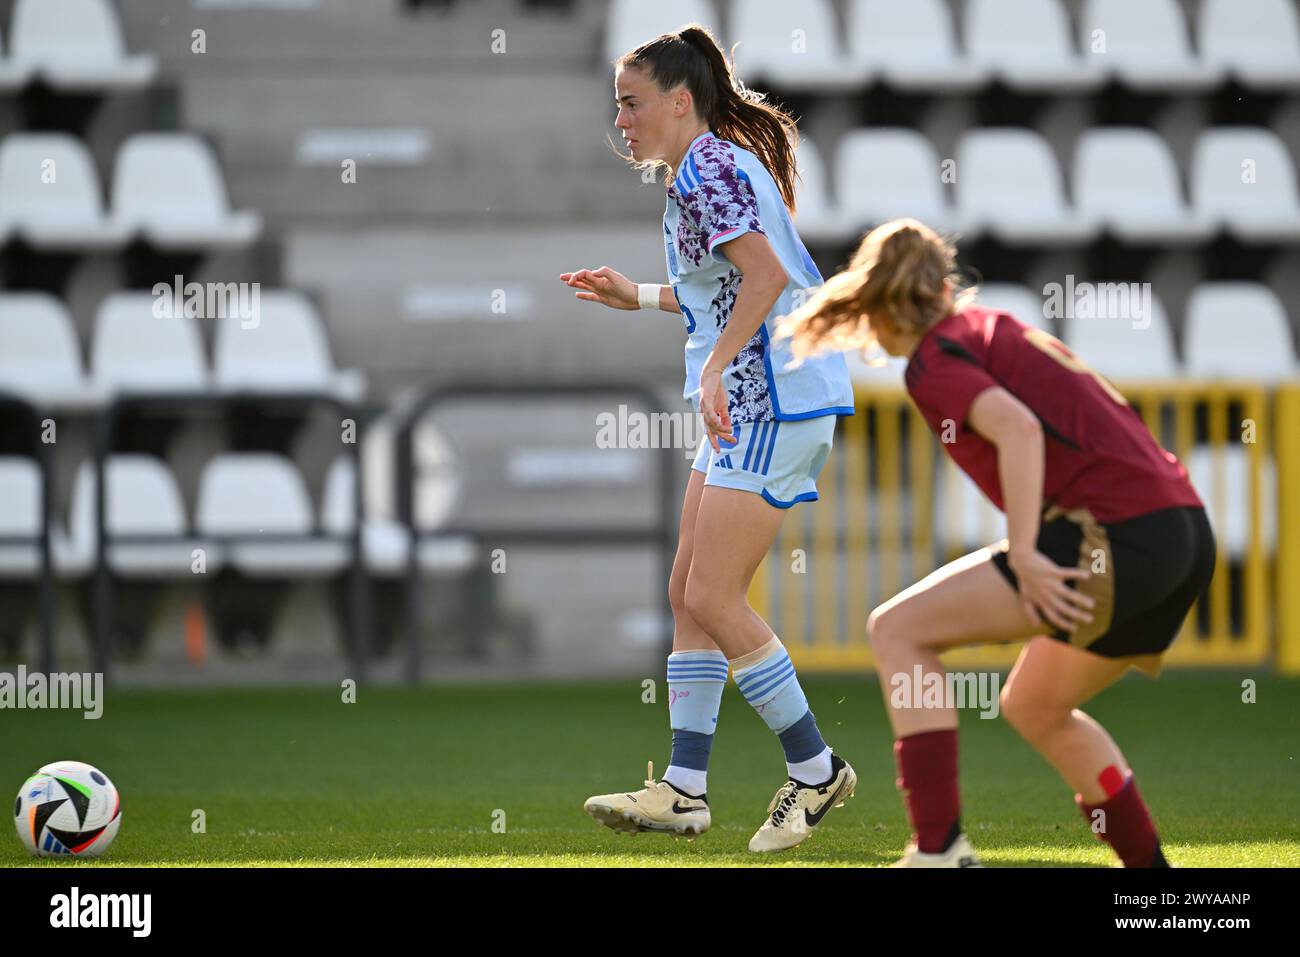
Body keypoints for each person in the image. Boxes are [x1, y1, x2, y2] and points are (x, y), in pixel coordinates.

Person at [779, 218, 1214, 867]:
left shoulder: (936, 359)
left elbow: (1018, 430)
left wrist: (1028, 550)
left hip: (1116, 534)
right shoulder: (995, 329)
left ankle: (940, 847)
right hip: (1183, 532)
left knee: (897, 631)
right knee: (1034, 704)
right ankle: (1154, 880)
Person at [561, 24, 857, 852]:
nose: (620, 118)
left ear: (679, 101)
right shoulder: (709, 163)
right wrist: (644, 296)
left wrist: (720, 368)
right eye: (617, 103)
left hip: (773, 399)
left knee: (714, 598)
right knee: (688, 592)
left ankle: (815, 767)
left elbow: (764, 277)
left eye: (632, 102)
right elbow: (730, 286)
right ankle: (684, 789)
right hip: (759, 396)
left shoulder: (707, 166)